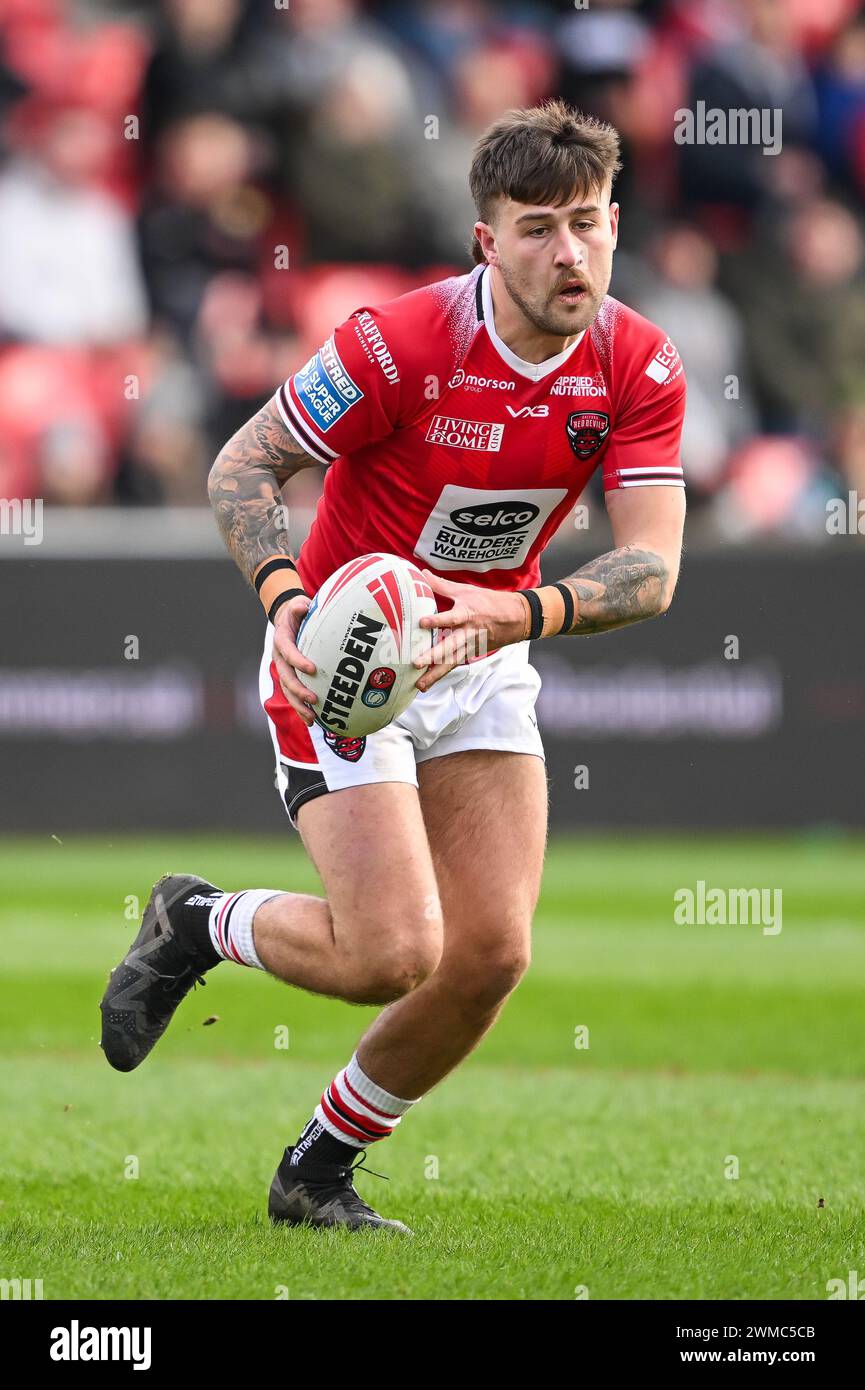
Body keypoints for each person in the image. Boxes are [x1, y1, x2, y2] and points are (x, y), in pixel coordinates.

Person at [100, 100, 687, 1234]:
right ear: (485, 241)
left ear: (614, 223)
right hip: (347, 660)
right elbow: (241, 467)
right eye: (536, 230)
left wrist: (511, 614)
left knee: (488, 957)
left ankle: (314, 1171)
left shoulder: (639, 363)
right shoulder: (398, 343)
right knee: (390, 954)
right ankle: (196, 923)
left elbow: (652, 572)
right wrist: (286, 601)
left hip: (481, 649)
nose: (569, 254)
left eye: (586, 224)